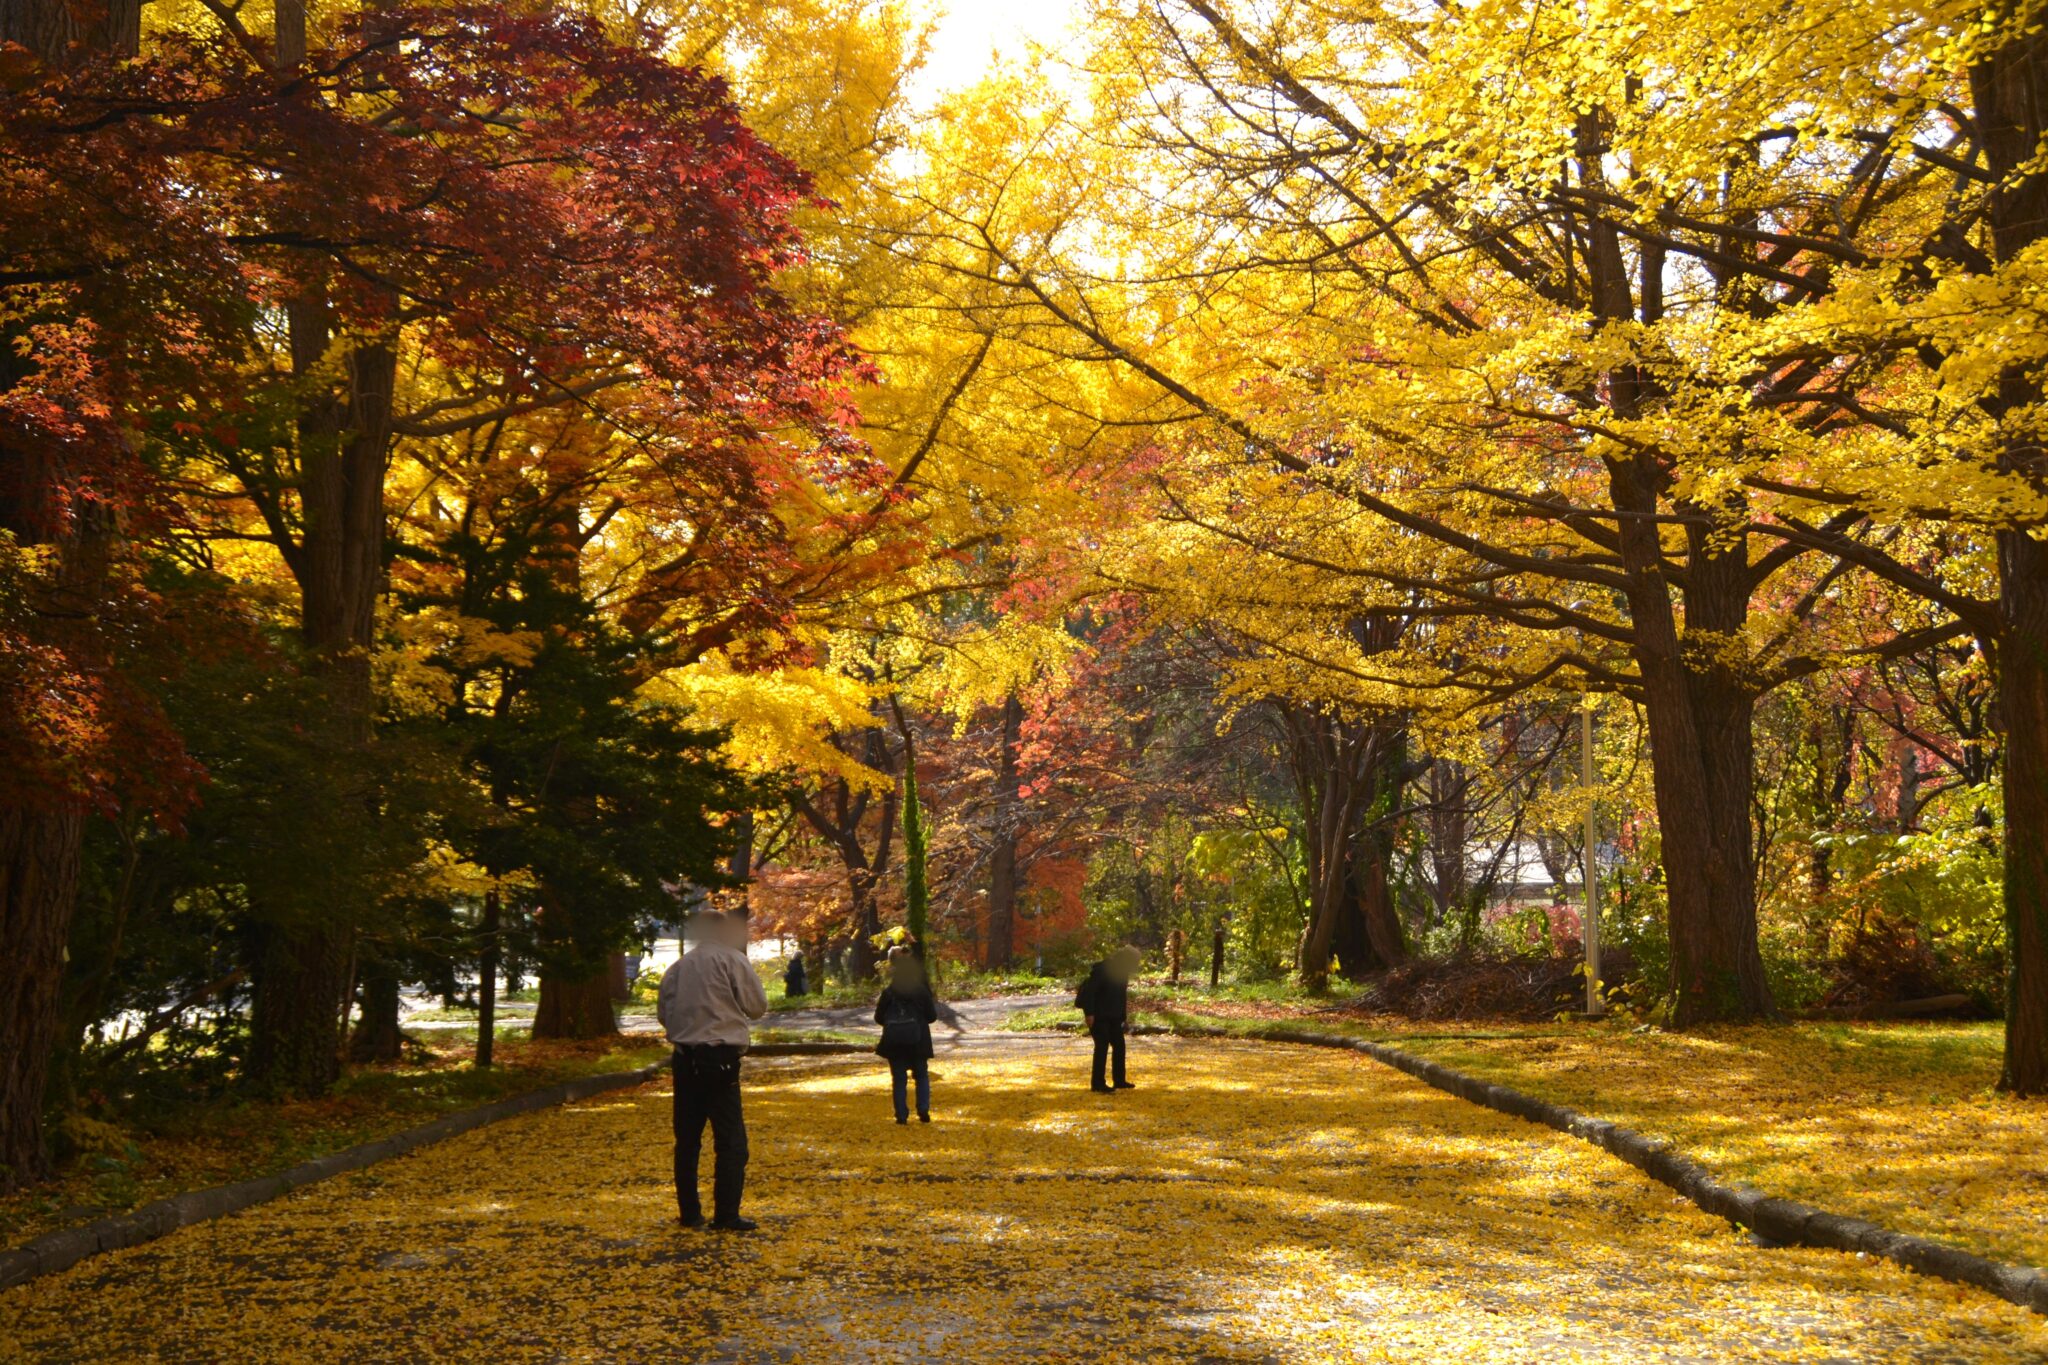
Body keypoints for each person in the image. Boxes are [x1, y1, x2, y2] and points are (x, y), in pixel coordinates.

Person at [657, 910, 769, 1231]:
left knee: (688, 1140)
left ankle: (690, 1213)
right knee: (731, 1141)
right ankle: (726, 1214)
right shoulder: (732, 960)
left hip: (685, 1058)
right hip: (721, 1058)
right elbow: (757, 1006)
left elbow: (665, 1014)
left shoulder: (677, 968)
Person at [874, 946, 938, 1124]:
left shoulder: (888, 993)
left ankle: (901, 1115)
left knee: (899, 1079)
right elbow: (932, 1017)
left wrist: (894, 1023)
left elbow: (878, 1017)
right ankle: (923, 1109)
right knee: (921, 1075)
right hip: (918, 1040)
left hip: (895, 1042)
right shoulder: (920, 990)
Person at [1075, 945, 1141, 1093]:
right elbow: (1090, 992)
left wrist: (1123, 1017)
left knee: (1119, 1046)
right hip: (1099, 1016)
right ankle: (1097, 1083)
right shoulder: (1104, 969)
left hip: (1114, 1016)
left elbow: (1120, 996)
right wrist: (1089, 1013)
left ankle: (1119, 1080)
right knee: (1102, 1047)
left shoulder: (1122, 973)